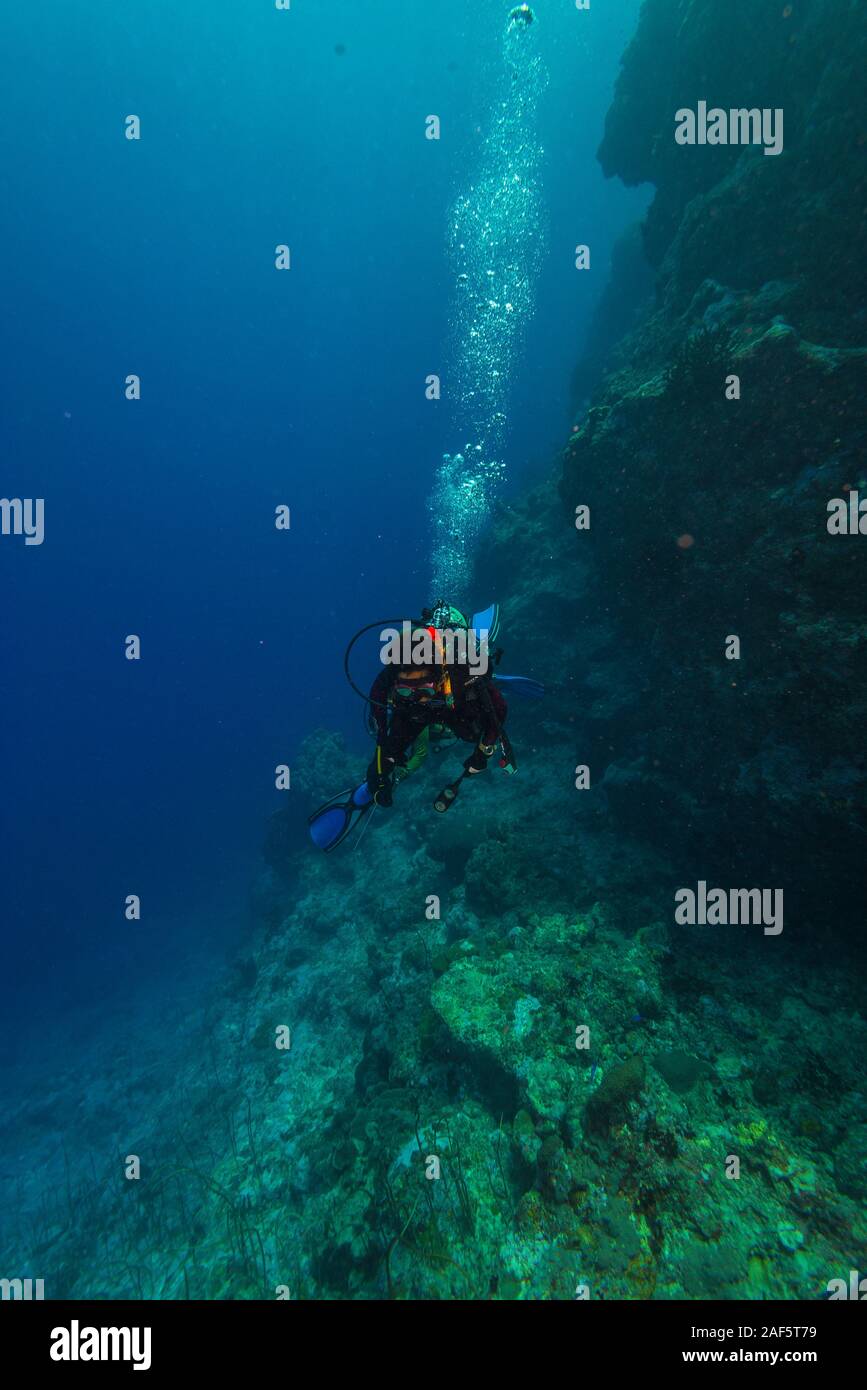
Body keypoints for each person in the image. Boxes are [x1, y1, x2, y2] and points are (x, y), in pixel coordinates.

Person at [365, 632, 508, 808]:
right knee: (388, 754)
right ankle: (435, 729)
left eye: (424, 690)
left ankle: (442, 729)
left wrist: (485, 747)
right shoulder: (390, 680)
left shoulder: (460, 674)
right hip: (413, 716)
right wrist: (380, 768)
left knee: (472, 734)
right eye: (405, 690)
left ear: (438, 678)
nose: (416, 698)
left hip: (452, 705)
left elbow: (499, 708)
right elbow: (378, 708)